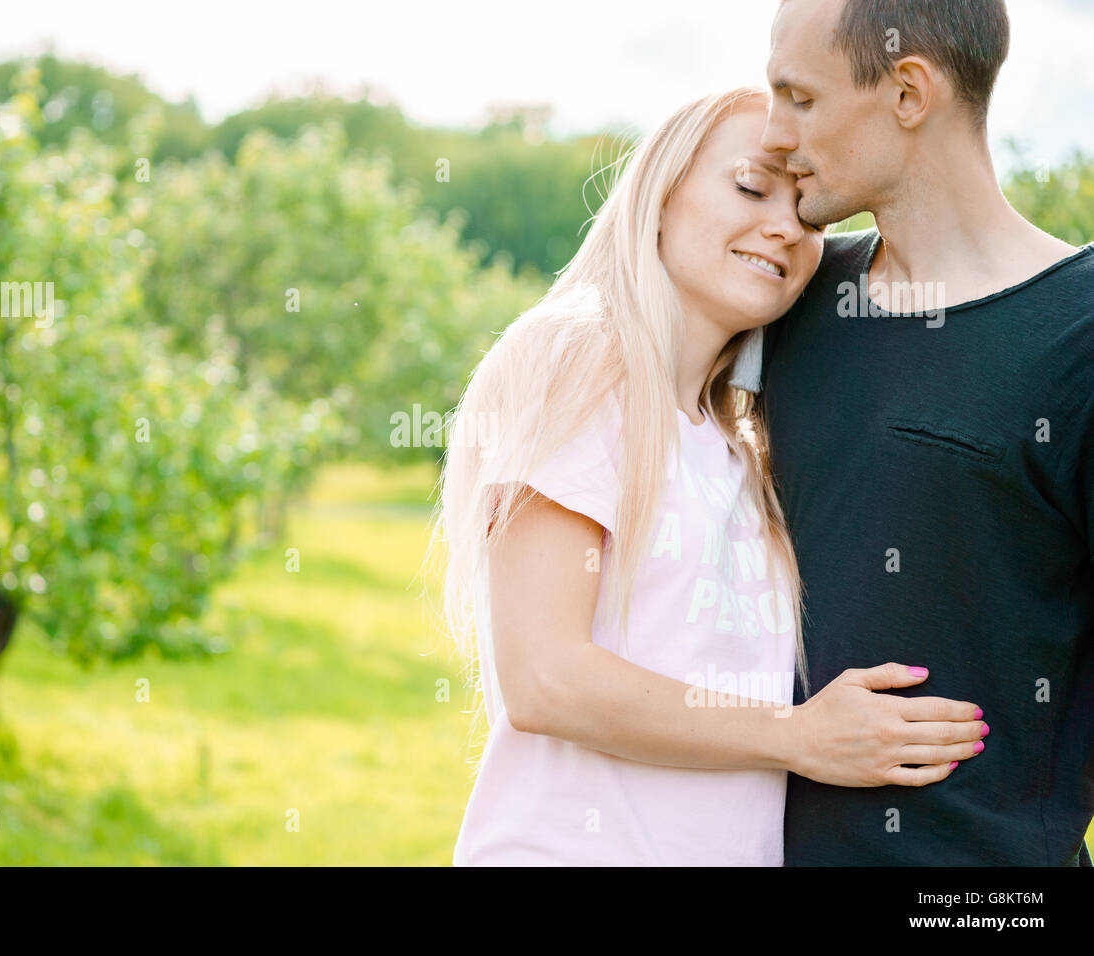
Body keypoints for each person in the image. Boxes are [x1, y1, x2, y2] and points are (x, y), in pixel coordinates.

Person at [436, 87, 988, 866]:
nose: (783, 229)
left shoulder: (737, 449)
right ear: (659, 196)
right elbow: (545, 678)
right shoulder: (579, 354)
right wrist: (800, 737)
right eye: (751, 186)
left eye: (809, 215)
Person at [756, 0, 1094, 865]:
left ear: (908, 91)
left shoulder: (1080, 333)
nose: (772, 133)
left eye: (798, 97)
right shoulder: (787, 293)